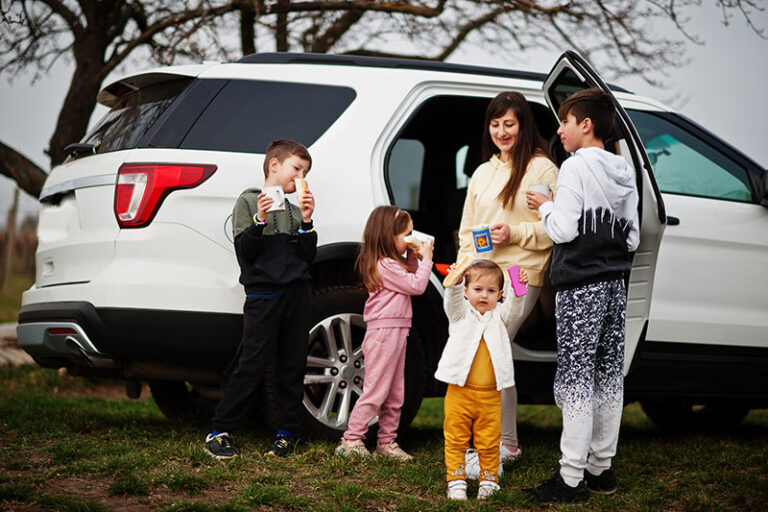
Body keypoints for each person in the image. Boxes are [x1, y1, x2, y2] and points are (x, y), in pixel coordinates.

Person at [524, 88, 640, 502]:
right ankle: (601, 470)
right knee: (608, 374)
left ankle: (571, 479)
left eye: (565, 122)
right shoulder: (624, 169)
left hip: (580, 285)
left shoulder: (574, 167)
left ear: (585, 125)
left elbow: (564, 230)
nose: (559, 129)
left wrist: (546, 205)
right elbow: (632, 238)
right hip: (615, 283)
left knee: (574, 379)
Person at [457, 91, 558, 462]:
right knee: (482, 347)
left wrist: (514, 234)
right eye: (495, 124)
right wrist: (462, 270)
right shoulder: (483, 172)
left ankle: (504, 443)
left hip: (520, 273)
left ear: (523, 126)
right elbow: (467, 231)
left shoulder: (542, 169)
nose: (501, 131)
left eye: (509, 124)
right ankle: (499, 441)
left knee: (494, 339)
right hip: (481, 275)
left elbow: (555, 229)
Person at [204, 139, 317, 460]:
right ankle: (220, 429)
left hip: (298, 294)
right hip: (265, 296)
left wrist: (307, 221)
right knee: (251, 363)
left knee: (292, 364)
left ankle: (286, 432)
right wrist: (259, 220)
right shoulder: (249, 201)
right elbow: (246, 254)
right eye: (297, 169)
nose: (300, 178)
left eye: (305, 172)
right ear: (274, 166)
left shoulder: (296, 211)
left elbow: (306, 258)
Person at [335, 206, 434, 460]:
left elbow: (409, 276)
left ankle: (386, 442)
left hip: (398, 332)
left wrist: (413, 257)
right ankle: (352, 439)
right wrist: (427, 259)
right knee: (376, 390)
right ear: (388, 236)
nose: (411, 237)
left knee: (395, 392)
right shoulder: (385, 265)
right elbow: (416, 285)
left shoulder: (394, 263)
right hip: (384, 333)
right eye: (407, 234)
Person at [436, 259, 528, 501]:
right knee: (455, 437)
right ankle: (456, 480)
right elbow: (452, 300)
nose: (484, 295)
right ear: (466, 291)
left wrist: (518, 289)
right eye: (477, 289)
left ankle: (489, 479)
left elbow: (515, 310)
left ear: (500, 294)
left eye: (491, 291)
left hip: (490, 394)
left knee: (489, 440)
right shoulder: (460, 315)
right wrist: (455, 280)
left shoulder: (500, 317)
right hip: (459, 391)